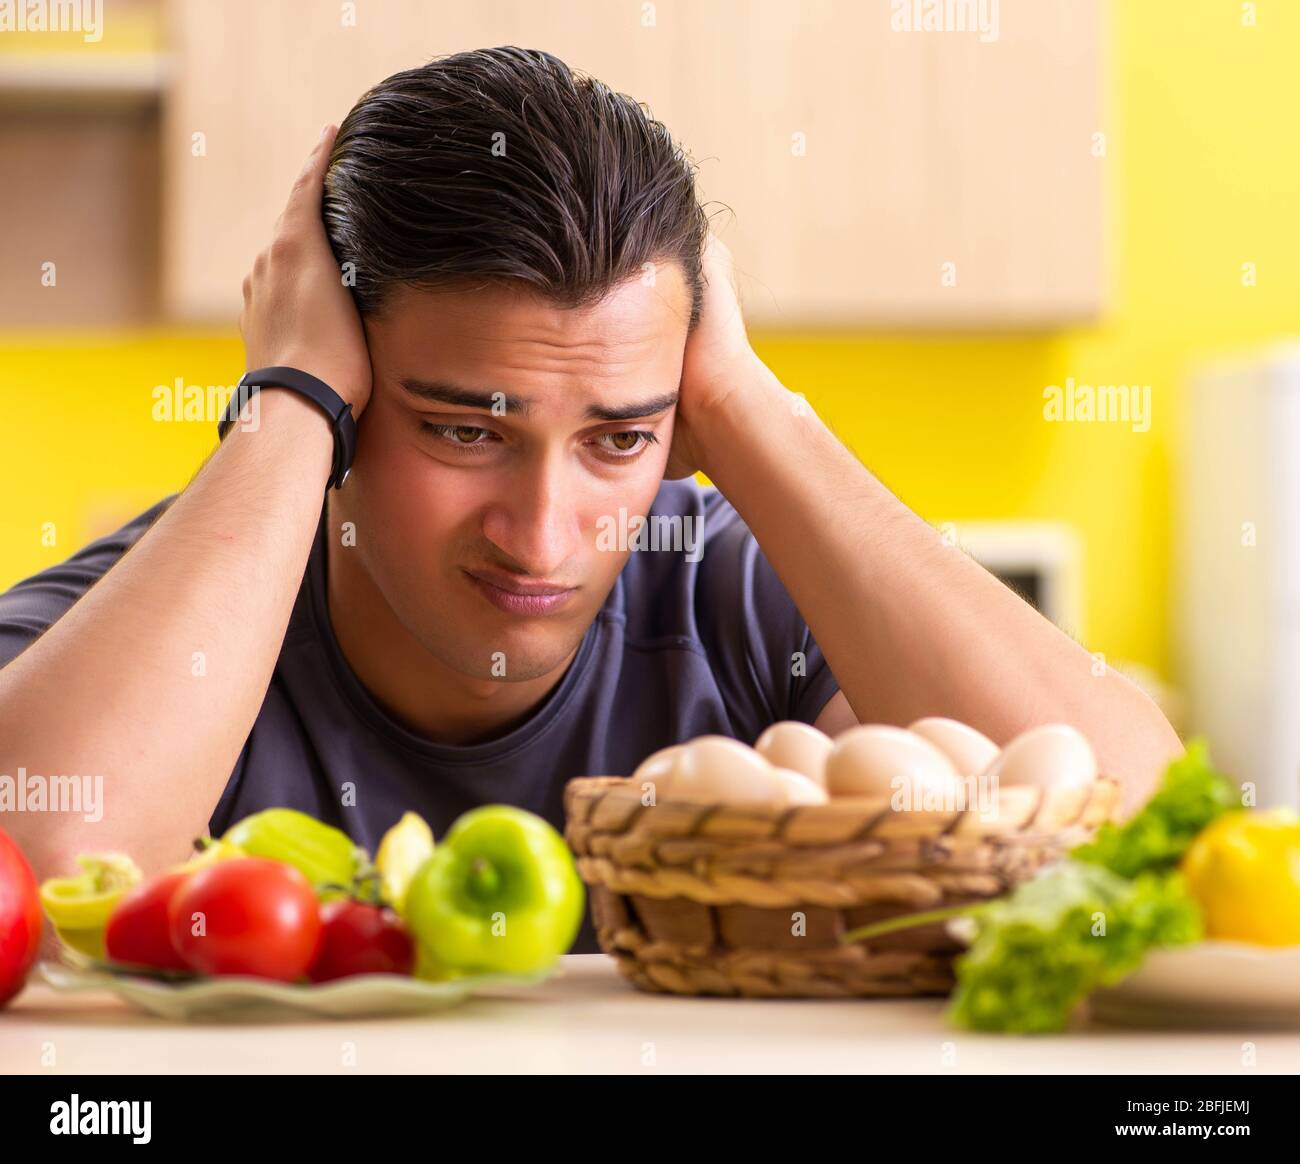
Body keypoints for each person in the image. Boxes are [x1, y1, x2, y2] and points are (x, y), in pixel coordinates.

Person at [0, 47, 1181, 955]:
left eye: (618, 438)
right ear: (351, 387)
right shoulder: (156, 620)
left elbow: (1129, 843)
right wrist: (286, 403)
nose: (544, 533)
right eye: (465, 429)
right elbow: (32, 883)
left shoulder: (731, 597)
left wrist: (743, 407)